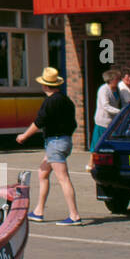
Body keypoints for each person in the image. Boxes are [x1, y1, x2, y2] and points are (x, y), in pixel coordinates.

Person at [16, 67, 82, 225]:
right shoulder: (66, 100)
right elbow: (73, 123)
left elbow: (39, 122)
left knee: (63, 178)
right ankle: (38, 211)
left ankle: (74, 215)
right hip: (63, 141)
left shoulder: (50, 102)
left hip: (55, 143)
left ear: (45, 85)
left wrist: (24, 136)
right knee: (42, 173)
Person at [92, 68, 125, 150]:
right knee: (98, 145)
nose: (119, 81)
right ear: (110, 80)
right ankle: (91, 163)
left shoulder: (117, 89)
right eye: (117, 79)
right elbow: (105, 106)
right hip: (103, 122)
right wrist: (120, 112)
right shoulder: (103, 89)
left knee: (110, 145)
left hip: (112, 122)